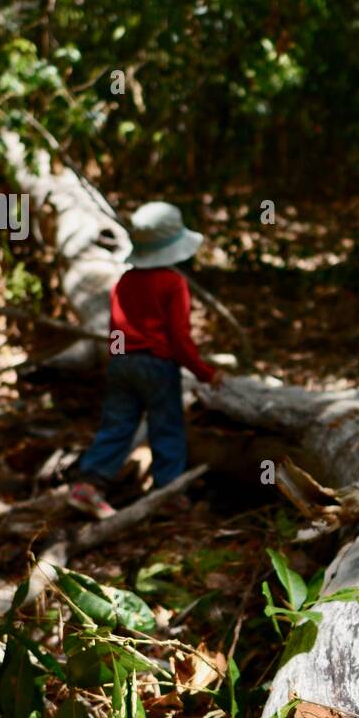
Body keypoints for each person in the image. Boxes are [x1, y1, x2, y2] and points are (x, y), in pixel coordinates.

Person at [69, 201, 225, 519]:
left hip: (122, 362)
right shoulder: (173, 283)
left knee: (117, 425)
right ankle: (168, 493)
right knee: (167, 426)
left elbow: (116, 330)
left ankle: (89, 484)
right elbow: (180, 340)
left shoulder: (124, 281)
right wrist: (205, 372)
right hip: (157, 365)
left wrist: (117, 363)